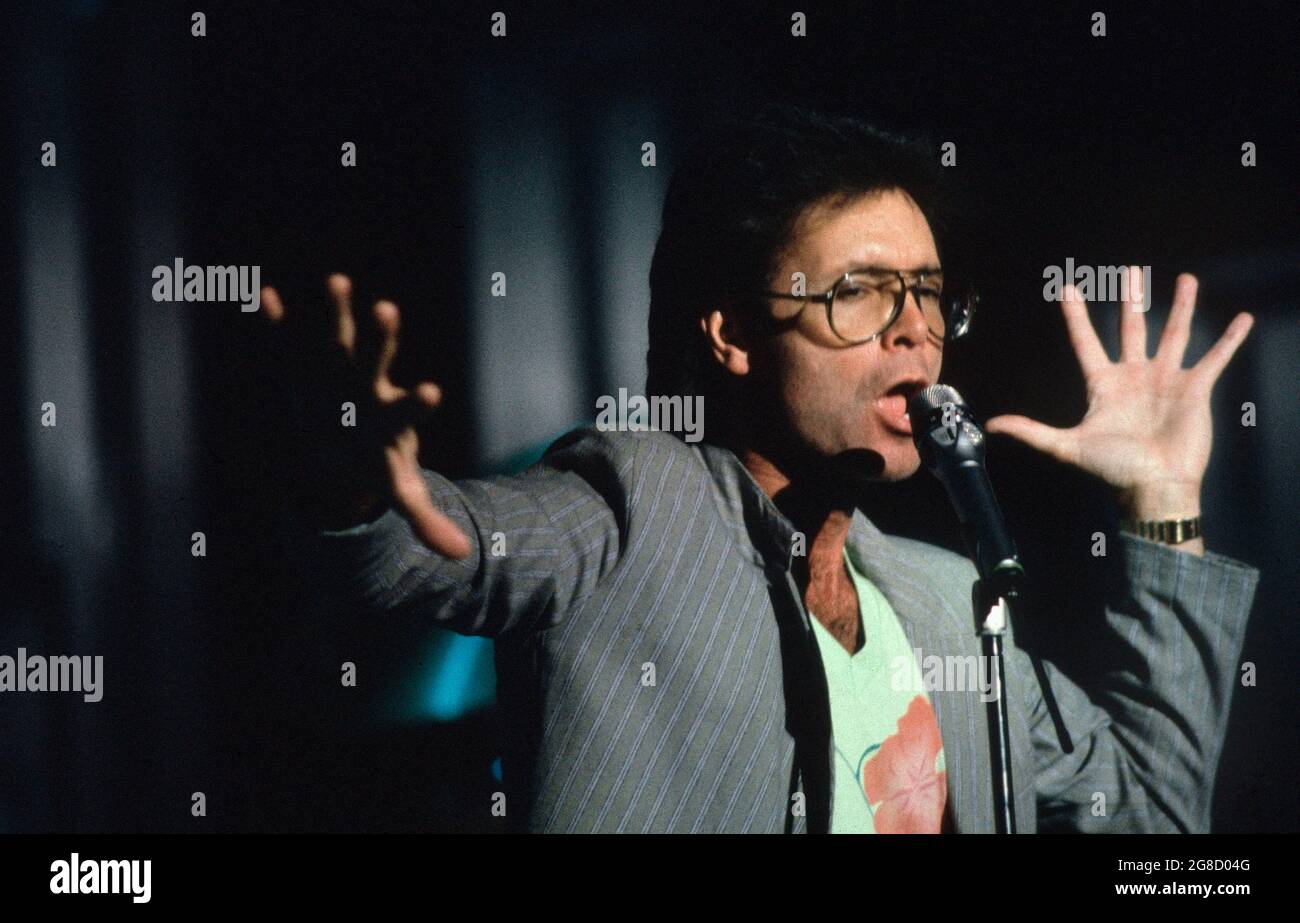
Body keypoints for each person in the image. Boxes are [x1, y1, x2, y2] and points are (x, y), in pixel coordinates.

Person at [262, 103, 1260, 833]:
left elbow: (1152, 820)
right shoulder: (627, 508)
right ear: (735, 332)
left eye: (928, 292)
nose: (915, 327)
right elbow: (425, 552)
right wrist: (353, 479)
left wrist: (1161, 497)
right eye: (863, 292)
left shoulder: (949, 600)